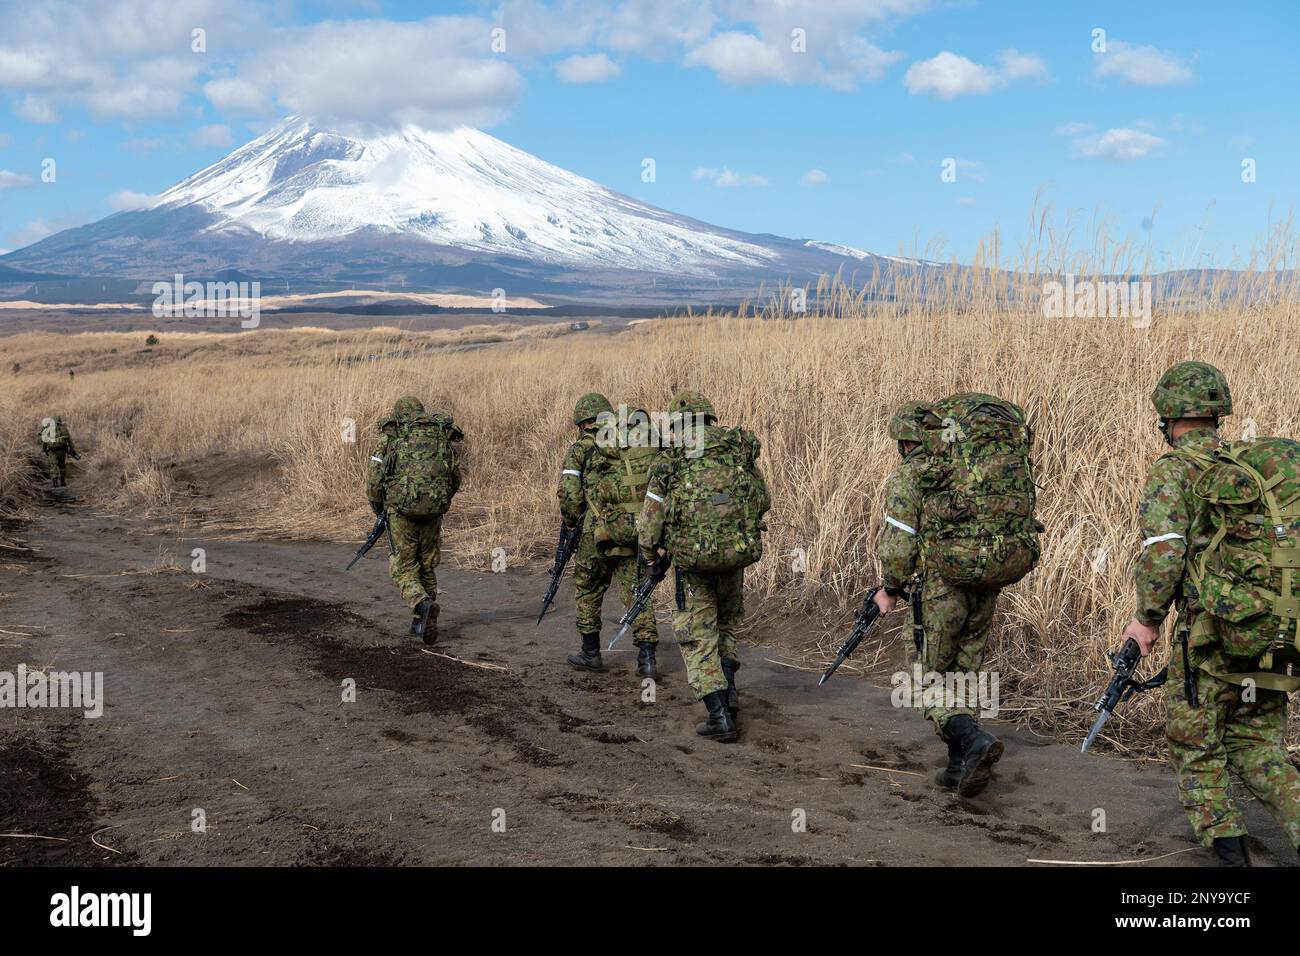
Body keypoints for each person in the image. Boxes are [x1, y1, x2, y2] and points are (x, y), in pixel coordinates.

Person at [1121, 360, 1300, 866]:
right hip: (1278, 628)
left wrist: (1147, 620)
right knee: (1259, 746)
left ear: (1168, 418)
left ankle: (1229, 852)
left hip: (1213, 634)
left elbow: (1165, 553)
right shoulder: (1253, 467)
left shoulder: (1173, 470)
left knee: (1195, 742)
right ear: (1217, 413)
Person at [874, 393, 1041, 797]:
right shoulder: (971, 468)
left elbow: (899, 544)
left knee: (922, 678)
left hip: (943, 583)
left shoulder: (913, 475)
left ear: (906, 443)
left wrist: (890, 588)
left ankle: (971, 742)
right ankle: (960, 764)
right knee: (964, 670)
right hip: (990, 574)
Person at [638, 390, 769, 742]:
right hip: (734, 558)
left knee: (698, 636)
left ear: (679, 424)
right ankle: (729, 694)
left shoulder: (672, 460)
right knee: (726, 627)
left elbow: (649, 523)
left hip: (693, 566)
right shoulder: (736, 451)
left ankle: (719, 716)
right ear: (710, 418)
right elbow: (762, 498)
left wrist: (652, 560)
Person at [559, 394, 662, 676]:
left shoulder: (580, 448)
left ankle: (591, 652)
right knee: (635, 589)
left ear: (581, 422)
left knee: (589, 587)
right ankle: (647, 658)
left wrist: (571, 524)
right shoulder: (632, 441)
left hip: (595, 532)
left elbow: (569, 496)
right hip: (631, 526)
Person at [366, 396, 463, 644]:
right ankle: (421, 622)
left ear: (399, 415)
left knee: (403, 567)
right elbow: (454, 477)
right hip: (433, 512)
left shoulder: (392, 438)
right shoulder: (440, 436)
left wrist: (379, 509)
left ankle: (421, 605)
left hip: (401, 513)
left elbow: (374, 482)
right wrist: (439, 503)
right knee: (427, 565)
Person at [39, 416, 79, 488]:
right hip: (62, 450)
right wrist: (72, 449)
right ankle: (62, 481)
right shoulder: (63, 428)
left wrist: (44, 450)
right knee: (62, 465)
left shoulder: (48, 428)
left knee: (53, 465)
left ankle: (55, 483)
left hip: (52, 451)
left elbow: (45, 442)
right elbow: (69, 440)